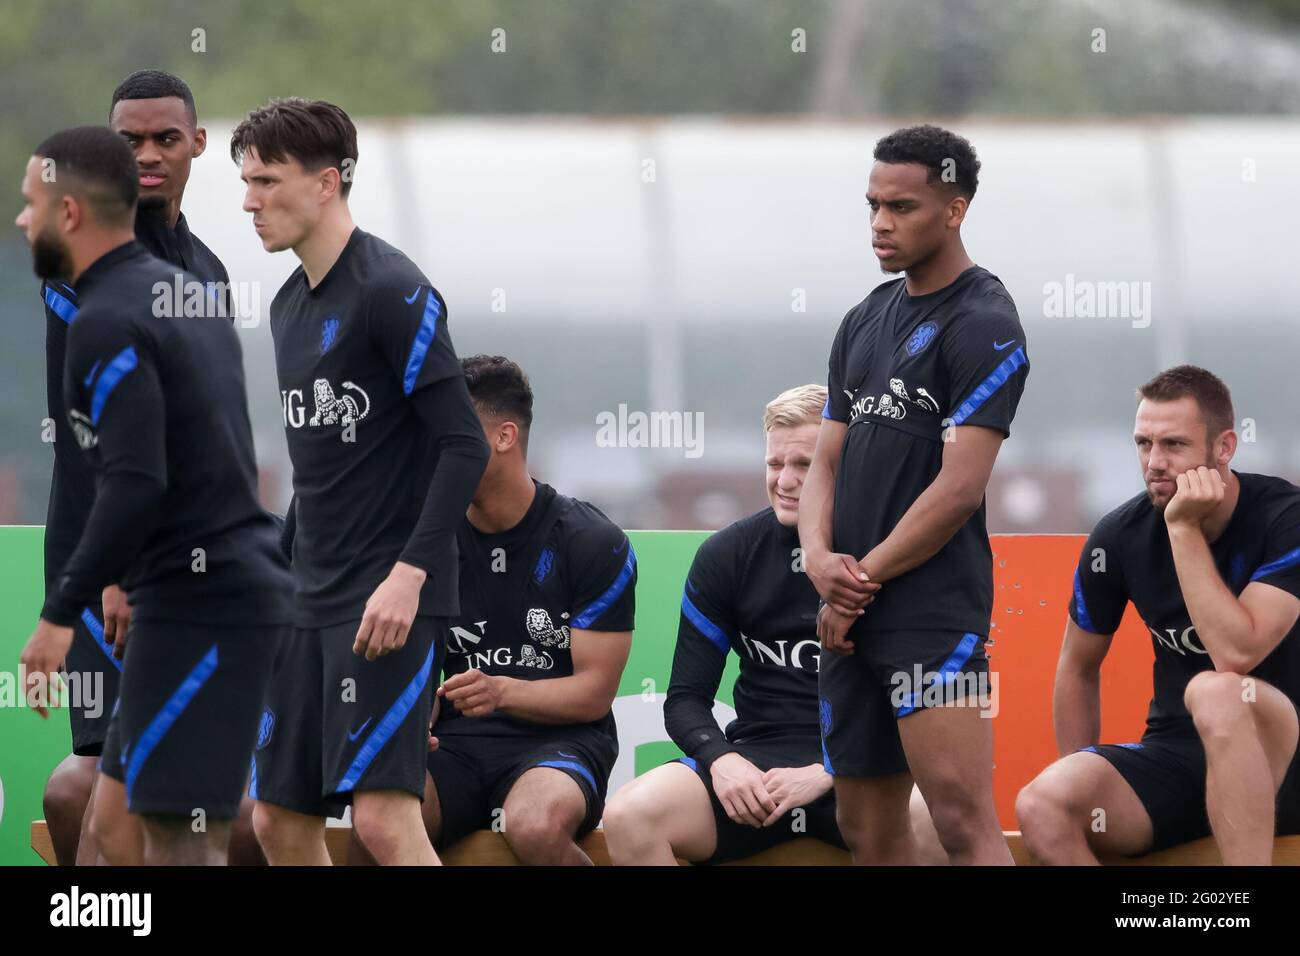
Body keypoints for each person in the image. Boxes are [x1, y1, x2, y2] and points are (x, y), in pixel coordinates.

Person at [17, 125, 292, 865]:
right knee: (106, 830)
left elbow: (136, 482)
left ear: (70, 212)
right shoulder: (161, 294)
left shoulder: (112, 317)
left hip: (203, 605)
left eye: (30, 204)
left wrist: (57, 615)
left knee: (182, 841)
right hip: (184, 593)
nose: (21, 221)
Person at [233, 98, 489, 865]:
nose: (249, 200)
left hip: (389, 601)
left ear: (327, 183)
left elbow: (463, 444)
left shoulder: (393, 290)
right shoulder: (284, 307)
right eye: (243, 182)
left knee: (382, 822)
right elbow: (317, 477)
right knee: (278, 822)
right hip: (309, 597)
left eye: (267, 181)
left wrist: (410, 577)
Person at [799, 125, 1028, 865]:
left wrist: (856, 581)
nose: (879, 224)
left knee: (961, 821)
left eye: (900, 207)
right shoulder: (864, 318)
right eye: (871, 206)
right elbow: (822, 463)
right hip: (848, 611)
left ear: (954, 209)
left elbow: (959, 489)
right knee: (868, 831)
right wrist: (815, 556)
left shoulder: (985, 324)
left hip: (929, 615)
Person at [353, 355, 635, 865]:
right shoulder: (420, 545)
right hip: (456, 747)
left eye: (453, 431)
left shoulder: (592, 540)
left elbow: (594, 695)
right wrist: (419, 720)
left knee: (534, 825)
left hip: (561, 745)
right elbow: (416, 669)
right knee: (378, 824)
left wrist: (501, 690)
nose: (438, 448)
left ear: (504, 437)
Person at [1016, 366, 1300, 865]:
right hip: (1181, 757)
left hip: (1283, 757)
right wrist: (1084, 772)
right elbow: (1078, 668)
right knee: (1043, 804)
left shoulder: (1285, 518)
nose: (1154, 462)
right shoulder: (1117, 537)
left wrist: (1183, 531)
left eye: (1174, 445)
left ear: (1224, 447)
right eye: (1143, 444)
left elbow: (1235, 652)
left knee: (1215, 689)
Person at [603, 384, 847, 864]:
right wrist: (722, 759)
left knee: (934, 821)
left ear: (842, 465)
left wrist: (830, 770)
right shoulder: (728, 555)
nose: (785, 480)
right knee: (629, 816)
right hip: (755, 765)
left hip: (857, 768)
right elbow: (685, 701)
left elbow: (913, 700)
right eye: (775, 464)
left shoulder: (884, 553)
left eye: (804, 465)